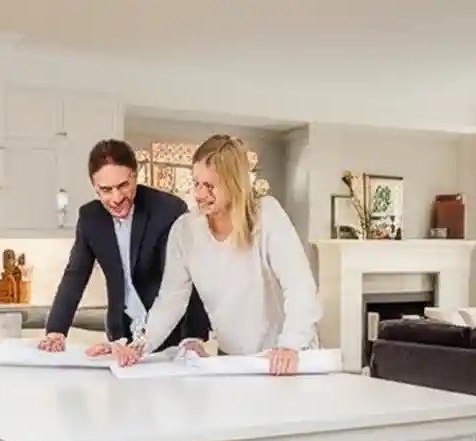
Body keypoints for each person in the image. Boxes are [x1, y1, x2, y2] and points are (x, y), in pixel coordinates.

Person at [115, 134, 321, 375]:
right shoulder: (185, 231)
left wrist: (290, 345)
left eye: (210, 186)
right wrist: (141, 345)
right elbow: (171, 300)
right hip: (234, 360)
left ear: (234, 184)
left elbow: (299, 287)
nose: (200, 194)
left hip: (285, 358)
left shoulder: (266, 216)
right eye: (196, 184)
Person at [38, 139, 210, 355]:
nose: (116, 198)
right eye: (106, 190)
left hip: (172, 336)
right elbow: (75, 274)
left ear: (135, 176)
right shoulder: (90, 218)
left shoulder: (169, 210)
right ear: (94, 185)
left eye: (123, 186)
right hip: (122, 334)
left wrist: (193, 336)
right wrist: (56, 330)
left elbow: (189, 277)